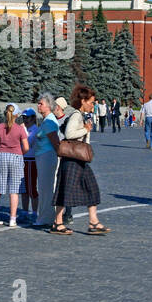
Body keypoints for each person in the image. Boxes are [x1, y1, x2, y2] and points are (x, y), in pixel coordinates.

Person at [52, 85, 109, 236]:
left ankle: (93, 222)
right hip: (72, 159)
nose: (93, 104)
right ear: (83, 101)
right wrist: (86, 129)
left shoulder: (80, 115)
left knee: (92, 188)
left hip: (79, 160)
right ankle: (57, 223)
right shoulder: (76, 115)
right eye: (91, 102)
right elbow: (69, 133)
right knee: (65, 191)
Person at [0, 104, 29, 226]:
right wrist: (19, 153)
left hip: (2, 156)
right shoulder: (20, 129)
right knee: (14, 190)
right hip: (16, 157)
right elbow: (26, 147)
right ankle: (12, 219)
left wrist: (2, 150)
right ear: (16, 115)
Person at [32, 93, 63, 228]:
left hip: (47, 157)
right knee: (44, 189)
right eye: (38, 103)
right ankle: (46, 216)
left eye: (41, 104)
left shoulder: (50, 121)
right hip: (42, 157)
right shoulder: (46, 120)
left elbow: (56, 142)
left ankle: (46, 218)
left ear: (48, 106)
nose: (38, 106)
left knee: (46, 189)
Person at [20, 109, 39, 220]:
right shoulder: (24, 129)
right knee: (23, 189)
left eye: (27, 117)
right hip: (23, 160)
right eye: (24, 118)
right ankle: (25, 211)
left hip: (31, 161)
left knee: (31, 188)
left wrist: (21, 131)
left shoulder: (34, 130)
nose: (25, 120)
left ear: (33, 118)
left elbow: (27, 143)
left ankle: (35, 212)